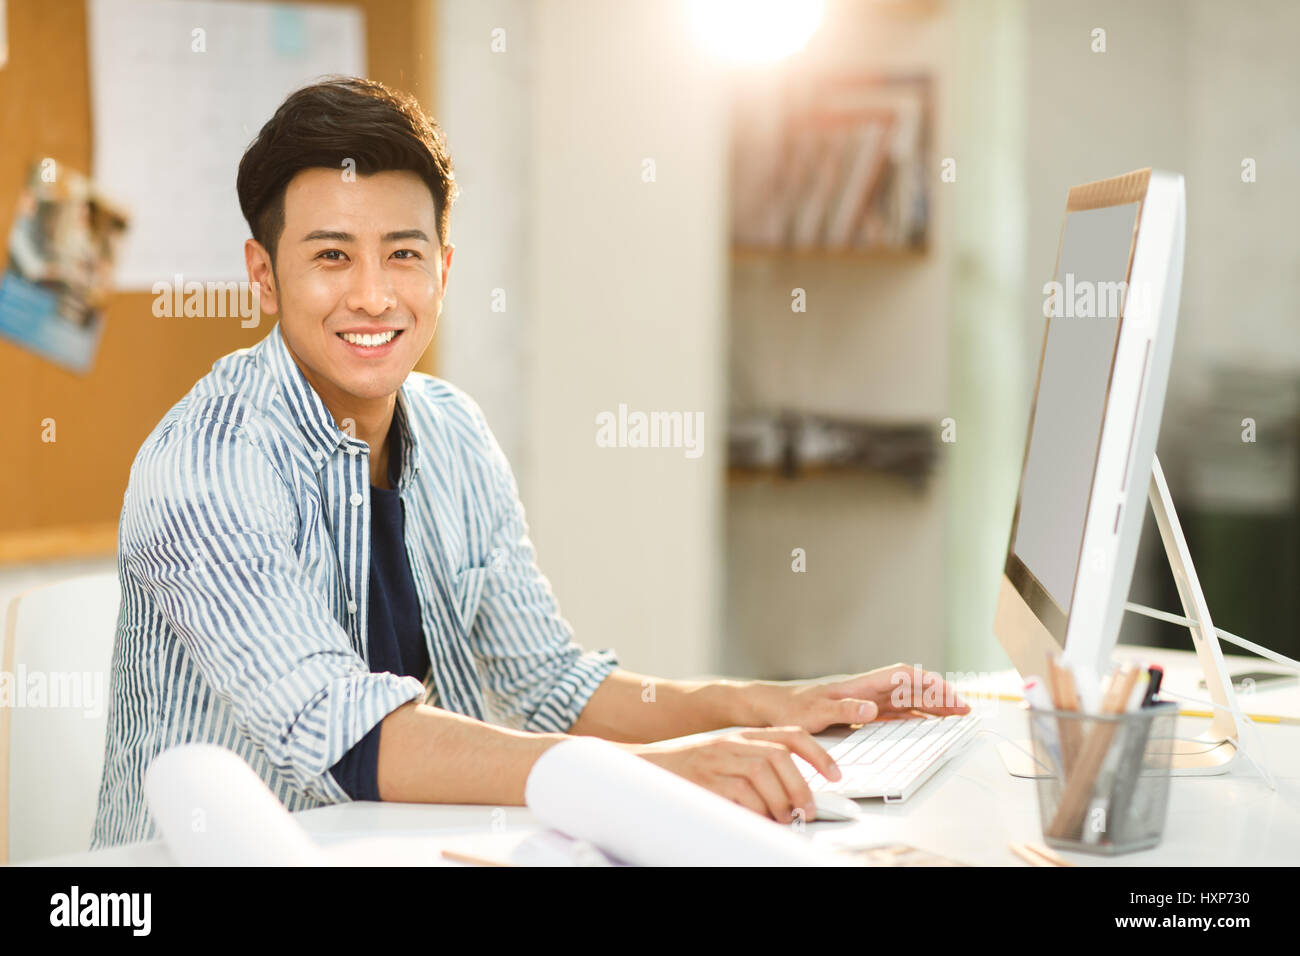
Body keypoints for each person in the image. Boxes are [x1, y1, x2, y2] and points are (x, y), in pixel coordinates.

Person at [90, 76, 967, 850]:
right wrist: (655, 773)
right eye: (330, 256)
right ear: (264, 275)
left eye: (404, 253)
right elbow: (347, 743)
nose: (372, 293)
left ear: (445, 269)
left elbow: (549, 683)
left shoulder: (453, 429)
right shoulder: (203, 465)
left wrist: (768, 705)